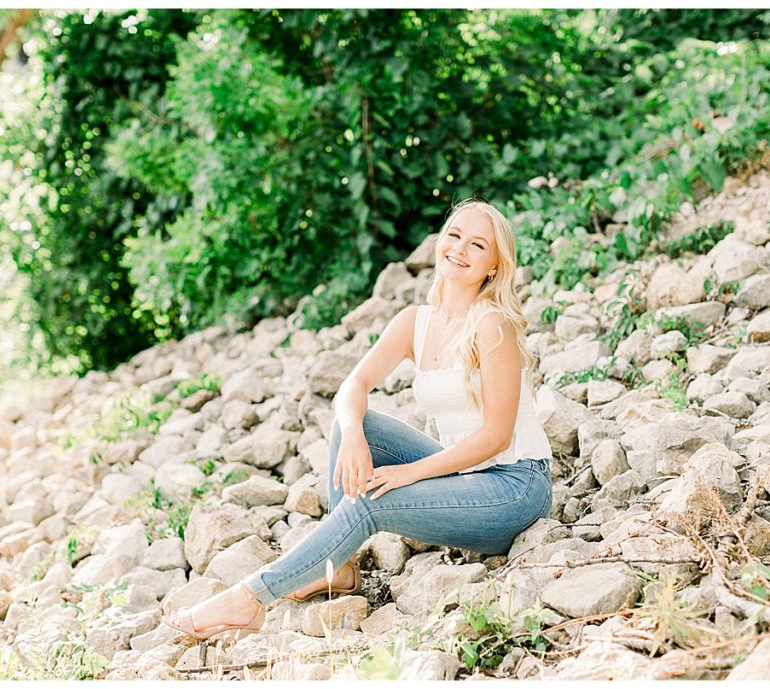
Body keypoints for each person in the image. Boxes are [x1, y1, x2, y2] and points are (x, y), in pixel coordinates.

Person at [164, 198, 554, 641]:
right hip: (465, 472)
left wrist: (409, 473)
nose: (460, 249)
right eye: (454, 235)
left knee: (370, 501)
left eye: (477, 245)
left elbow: (497, 436)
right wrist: (352, 434)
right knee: (354, 423)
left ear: (493, 266)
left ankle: (249, 598)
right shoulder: (416, 322)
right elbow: (353, 385)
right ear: (439, 241)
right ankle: (339, 567)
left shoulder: (493, 325)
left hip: (515, 486)